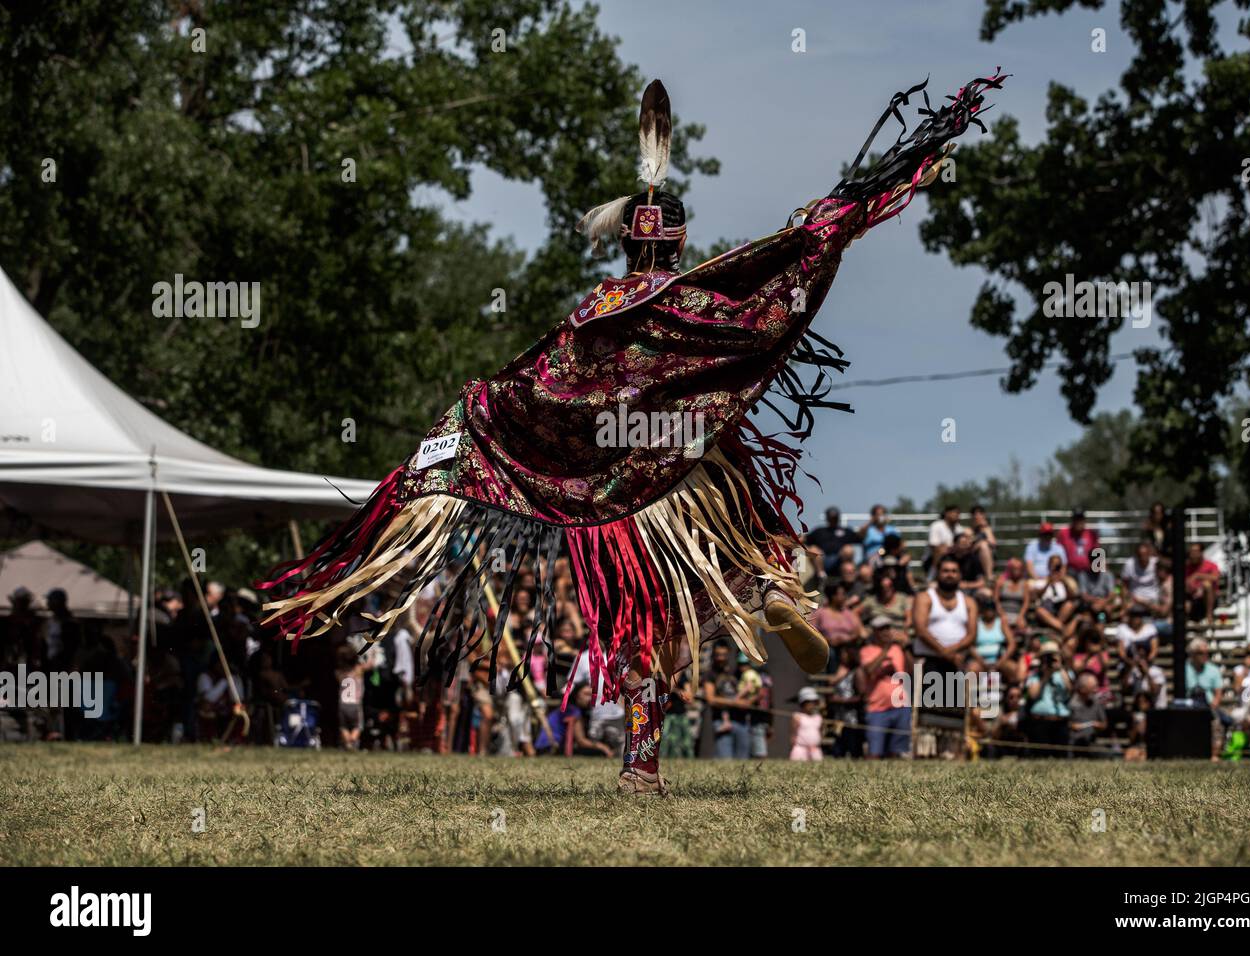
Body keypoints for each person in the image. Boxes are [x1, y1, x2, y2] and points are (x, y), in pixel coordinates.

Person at [260, 72, 1007, 794]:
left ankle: (641, 765)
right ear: (679, 243)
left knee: (635, 624)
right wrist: (858, 205)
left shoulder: (591, 313)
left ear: (626, 244)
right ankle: (771, 588)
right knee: (759, 536)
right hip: (691, 468)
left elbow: (536, 387)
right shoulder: (694, 296)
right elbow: (776, 278)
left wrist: (479, 415)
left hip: (609, 499)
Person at [911, 555, 977, 675]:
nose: (950, 575)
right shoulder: (925, 598)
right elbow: (921, 631)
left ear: (960, 575)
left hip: (957, 660)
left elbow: (972, 635)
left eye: (954, 571)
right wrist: (944, 652)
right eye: (945, 571)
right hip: (929, 661)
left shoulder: (969, 602)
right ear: (937, 574)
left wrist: (951, 652)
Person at [856, 615, 910, 758]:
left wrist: (906, 648)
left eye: (888, 628)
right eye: (882, 629)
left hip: (901, 705)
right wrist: (886, 650)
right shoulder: (866, 650)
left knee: (897, 752)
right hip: (877, 708)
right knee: (875, 752)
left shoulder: (898, 650)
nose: (886, 632)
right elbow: (869, 670)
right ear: (874, 632)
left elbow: (909, 672)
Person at [1024, 640, 1072, 756]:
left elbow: (1069, 690)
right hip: (1040, 721)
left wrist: (1060, 668)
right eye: (1047, 657)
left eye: (1053, 657)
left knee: (1061, 758)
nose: (1050, 660)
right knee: (1040, 757)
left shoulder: (1064, 673)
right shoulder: (1035, 675)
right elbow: (1032, 695)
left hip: (1060, 720)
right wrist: (1045, 676)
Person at [803, 506, 865, 578]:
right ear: (827, 518)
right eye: (831, 518)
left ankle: (849, 573)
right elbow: (804, 540)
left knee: (848, 549)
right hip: (822, 561)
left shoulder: (846, 531)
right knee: (813, 549)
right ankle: (821, 576)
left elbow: (860, 539)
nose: (833, 520)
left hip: (840, 561)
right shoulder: (819, 531)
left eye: (835, 518)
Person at [1057, 508, 1100, 589]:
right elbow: (1058, 554)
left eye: (1080, 519)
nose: (1078, 522)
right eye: (1076, 519)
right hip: (1070, 571)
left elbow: (1098, 553)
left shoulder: (1091, 534)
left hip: (1088, 571)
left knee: (1105, 576)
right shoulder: (1064, 533)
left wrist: (1098, 569)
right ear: (1072, 520)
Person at [1067, 671, 1107, 757]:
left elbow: (1104, 724)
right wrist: (1071, 725)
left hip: (1091, 743)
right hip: (1072, 743)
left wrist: (1099, 725)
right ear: (1082, 688)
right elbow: (1065, 723)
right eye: (1093, 687)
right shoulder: (1070, 702)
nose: (1096, 690)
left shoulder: (1096, 703)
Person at [1121, 540, 1162, 612]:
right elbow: (1124, 585)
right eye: (1140, 555)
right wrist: (1125, 602)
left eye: (1145, 554)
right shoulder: (1129, 564)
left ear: (1149, 553)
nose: (1142, 557)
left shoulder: (1156, 563)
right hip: (1134, 599)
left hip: (1152, 600)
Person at [1184, 542, 1220, 622]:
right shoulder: (1186, 567)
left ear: (1201, 552)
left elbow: (1215, 577)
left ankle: (1209, 616)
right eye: (1191, 552)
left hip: (1209, 599)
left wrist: (1198, 576)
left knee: (1207, 585)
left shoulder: (1211, 565)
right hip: (1192, 598)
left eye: (1196, 551)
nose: (1193, 554)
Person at [994, 557, 1031, 634]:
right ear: (1010, 569)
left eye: (1019, 568)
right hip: (1003, 613)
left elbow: (1026, 602)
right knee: (1003, 624)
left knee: (1022, 626)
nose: (1016, 571)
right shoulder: (1001, 582)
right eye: (1014, 568)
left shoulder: (1024, 584)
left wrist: (1020, 616)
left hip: (1017, 614)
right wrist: (1002, 614)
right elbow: (996, 600)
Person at [926, 504, 965, 574]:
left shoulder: (960, 529)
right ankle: (933, 576)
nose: (957, 515)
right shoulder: (936, 526)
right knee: (940, 549)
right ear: (947, 513)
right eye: (955, 512)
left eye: (958, 513)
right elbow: (934, 546)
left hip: (953, 556)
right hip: (932, 559)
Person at [790, 687, 824, 761]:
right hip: (800, 749)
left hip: (815, 750)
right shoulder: (797, 716)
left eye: (814, 702)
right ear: (803, 703)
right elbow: (793, 733)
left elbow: (820, 732)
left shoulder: (818, 717)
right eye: (810, 702)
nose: (812, 705)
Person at [968, 504, 998, 583]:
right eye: (975, 515)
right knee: (983, 545)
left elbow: (993, 544)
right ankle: (989, 576)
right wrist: (980, 543)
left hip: (988, 555)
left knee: (984, 546)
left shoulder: (987, 529)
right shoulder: (969, 530)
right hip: (973, 558)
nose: (978, 517)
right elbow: (969, 547)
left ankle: (989, 576)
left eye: (980, 514)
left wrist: (984, 528)